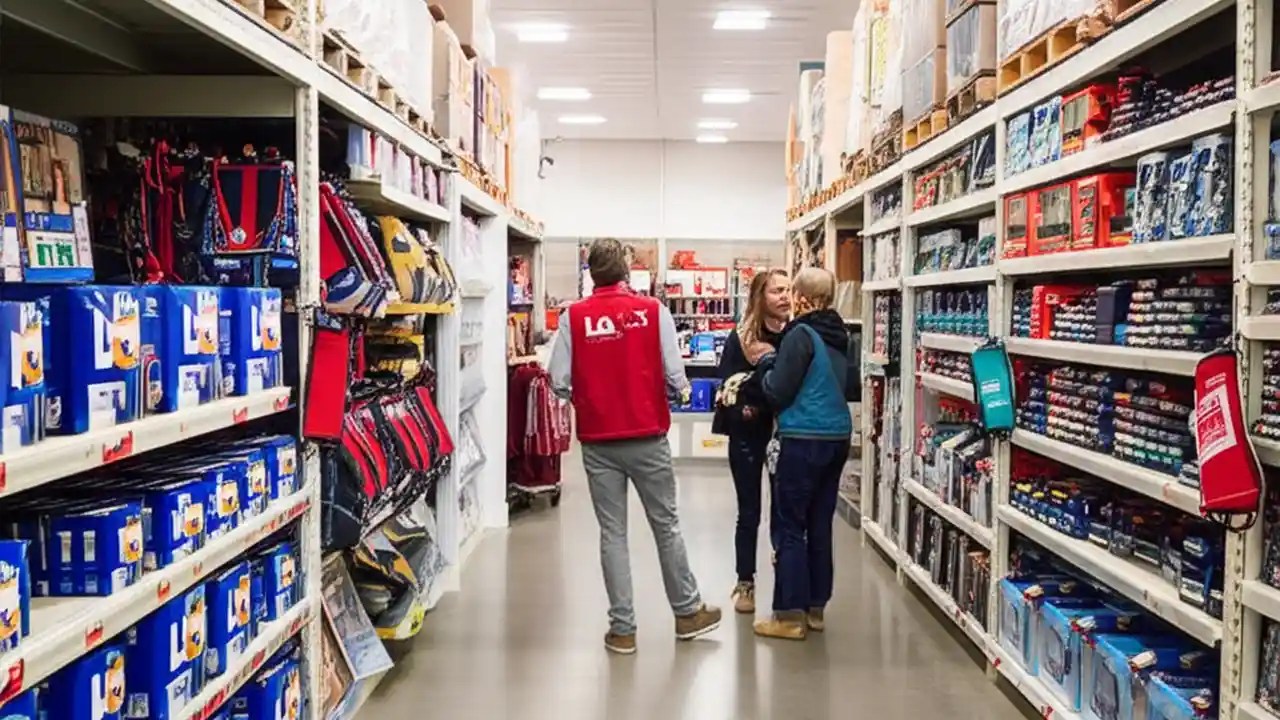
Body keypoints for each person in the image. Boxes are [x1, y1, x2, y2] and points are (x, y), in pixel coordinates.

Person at [548, 238, 721, 655]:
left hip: (599, 441)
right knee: (666, 526)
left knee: (612, 533)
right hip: (647, 436)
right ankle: (686, 612)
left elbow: (557, 379)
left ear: (591, 272)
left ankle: (623, 629)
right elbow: (676, 375)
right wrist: (672, 393)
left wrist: (587, 397)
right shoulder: (653, 312)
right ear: (626, 270)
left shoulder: (574, 317)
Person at [752, 267, 852, 641]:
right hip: (837, 437)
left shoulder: (800, 335)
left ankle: (788, 615)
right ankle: (815, 608)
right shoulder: (840, 334)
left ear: (802, 297)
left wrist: (765, 366)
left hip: (802, 436)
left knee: (791, 525)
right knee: (820, 523)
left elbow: (777, 391)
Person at [712, 268, 791, 614]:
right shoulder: (740, 338)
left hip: (786, 433)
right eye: (776, 291)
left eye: (788, 289)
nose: (785, 296)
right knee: (749, 511)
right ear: (760, 297)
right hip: (747, 432)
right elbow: (727, 386)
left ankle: (785, 577)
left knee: (783, 509)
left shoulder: (796, 336)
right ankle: (745, 582)